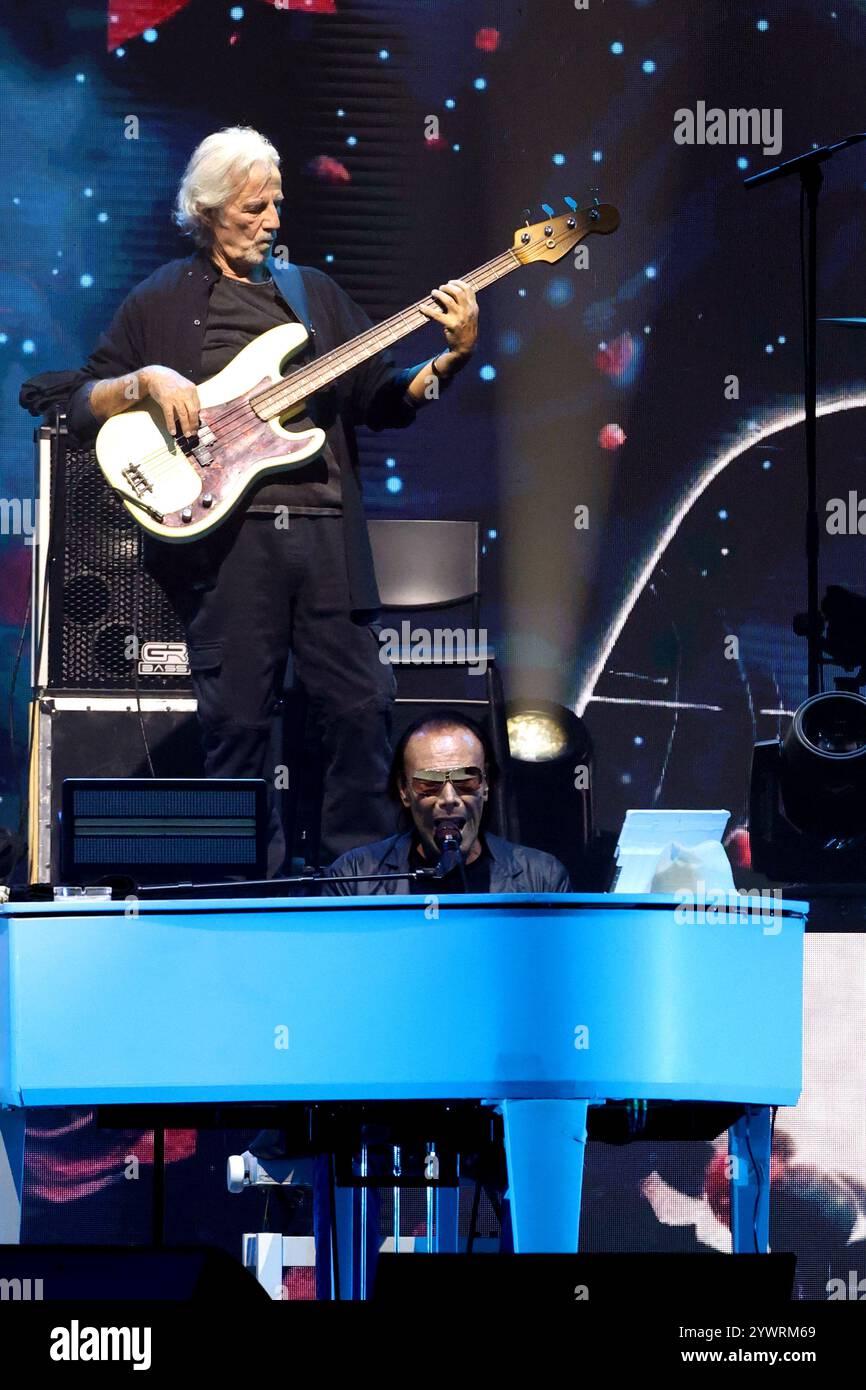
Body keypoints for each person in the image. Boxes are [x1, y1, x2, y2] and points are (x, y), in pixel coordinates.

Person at [65, 126, 478, 873]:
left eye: (277, 205)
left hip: (325, 539)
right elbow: (70, 402)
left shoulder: (310, 294)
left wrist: (449, 357)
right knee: (239, 725)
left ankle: (360, 877)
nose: (273, 221)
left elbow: (381, 395)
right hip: (228, 547)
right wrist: (145, 383)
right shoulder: (160, 300)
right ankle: (244, 885)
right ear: (209, 211)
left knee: (359, 710)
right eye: (254, 207)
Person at [322, 711, 571, 893]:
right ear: (404, 791)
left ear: (485, 785)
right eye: (429, 783)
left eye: (466, 781)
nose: (449, 799)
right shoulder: (354, 877)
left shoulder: (541, 878)